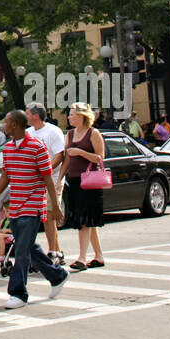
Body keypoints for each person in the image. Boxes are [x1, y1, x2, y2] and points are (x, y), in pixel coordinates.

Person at [0, 109, 68, 308]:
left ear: (15, 124)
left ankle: (18, 293)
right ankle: (57, 275)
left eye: (6, 122)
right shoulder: (8, 149)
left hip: (33, 206)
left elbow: (48, 177)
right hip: (15, 206)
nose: (3, 126)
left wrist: (55, 207)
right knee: (28, 246)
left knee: (21, 250)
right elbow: (6, 175)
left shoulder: (36, 147)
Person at [57, 103, 107, 270]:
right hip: (76, 181)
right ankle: (98, 256)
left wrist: (81, 153)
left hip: (90, 181)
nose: (69, 117)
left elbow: (100, 158)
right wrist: (59, 179)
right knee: (87, 220)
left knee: (84, 221)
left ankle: (82, 258)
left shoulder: (93, 133)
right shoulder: (70, 134)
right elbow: (67, 159)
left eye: (72, 114)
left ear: (82, 116)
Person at [26, 102, 66, 264]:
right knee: (39, 217)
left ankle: (52, 252)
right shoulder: (27, 132)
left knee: (49, 216)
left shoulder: (53, 131)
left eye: (28, 113)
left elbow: (59, 155)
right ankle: (57, 252)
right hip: (33, 182)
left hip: (52, 180)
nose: (26, 116)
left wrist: (44, 171)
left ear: (36, 115)